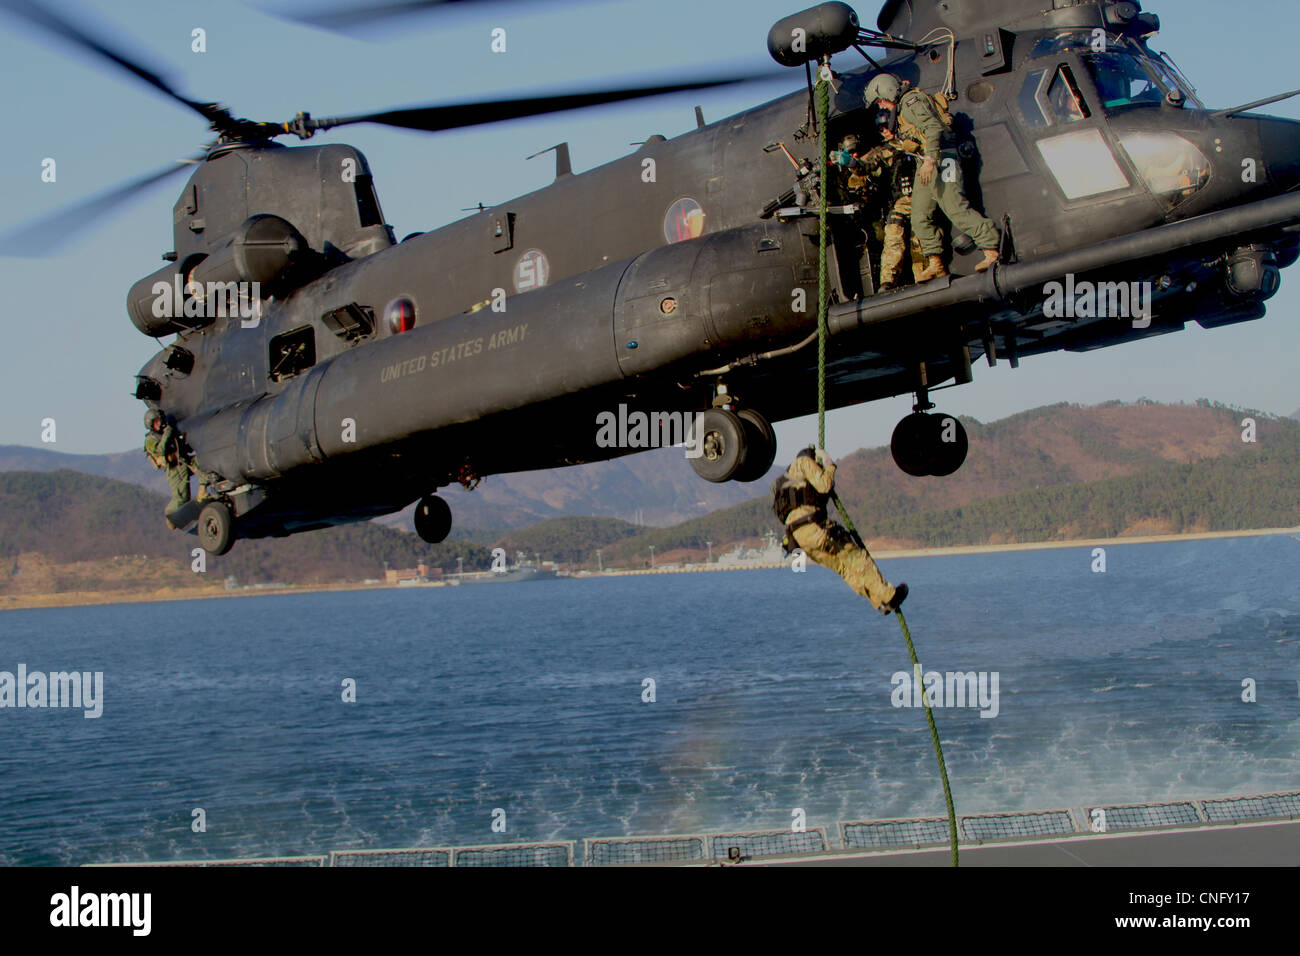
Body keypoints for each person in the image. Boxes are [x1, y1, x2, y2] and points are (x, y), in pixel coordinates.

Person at [864, 73, 1001, 282]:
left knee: (955, 206)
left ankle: (990, 249)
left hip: (942, 158)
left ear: (887, 91)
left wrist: (929, 160)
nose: (881, 105)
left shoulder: (911, 103)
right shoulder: (901, 112)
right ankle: (935, 263)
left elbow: (934, 127)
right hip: (925, 163)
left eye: (880, 100)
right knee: (919, 216)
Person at [772, 447, 908, 614]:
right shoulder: (803, 463)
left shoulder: (781, 485)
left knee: (843, 569)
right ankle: (889, 595)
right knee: (857, 559)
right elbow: (825, 485)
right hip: (815, 528)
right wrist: (829, 465)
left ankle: (878, 601)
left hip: (800, 540)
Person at [143, 409, 194, 529]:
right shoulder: (150, 440)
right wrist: (168, 433)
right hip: (174, 468)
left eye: (160, 420)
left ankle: (204, 494)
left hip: (184, 461)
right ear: (150, 424)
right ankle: (170, 515)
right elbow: (161, 449)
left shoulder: (168, 431)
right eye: (156, 421)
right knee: (181, 499)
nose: (159, 423)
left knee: (205, 470)